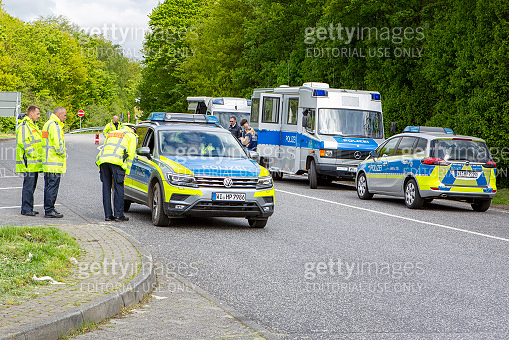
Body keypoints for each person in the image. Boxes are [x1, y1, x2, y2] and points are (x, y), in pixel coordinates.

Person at [96, 125, 137, 222]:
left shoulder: (112, 133)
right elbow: (131, 156)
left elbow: (104, 148)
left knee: (106, 188)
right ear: (132, 129)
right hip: (117, 162)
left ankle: (108, 215)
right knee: (118, 188)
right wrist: (127, 172)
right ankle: (119, 215)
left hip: (103, 162)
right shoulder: (131, 136)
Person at [15, 105, 43, 216]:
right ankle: (26, 209)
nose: (39, 116)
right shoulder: (24, 125)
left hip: (34, 161)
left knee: (32, 185)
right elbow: (23, 142)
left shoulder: (32, 125)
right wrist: (33, 153)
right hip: (29, 160)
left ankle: (29, 207)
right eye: (37, 114)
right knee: (29, 185)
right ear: (31, 114)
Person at [42, 107, 67, 218]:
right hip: (54, 162)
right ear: (59, 114)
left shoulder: (47, 124)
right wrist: (63, 154)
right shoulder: (55, 125)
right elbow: (58, 144)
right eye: (64, 115)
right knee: (52, 187)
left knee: (48, 187)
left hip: (47, 161)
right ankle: (49, 210)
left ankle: (49, 208)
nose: (65, 117)